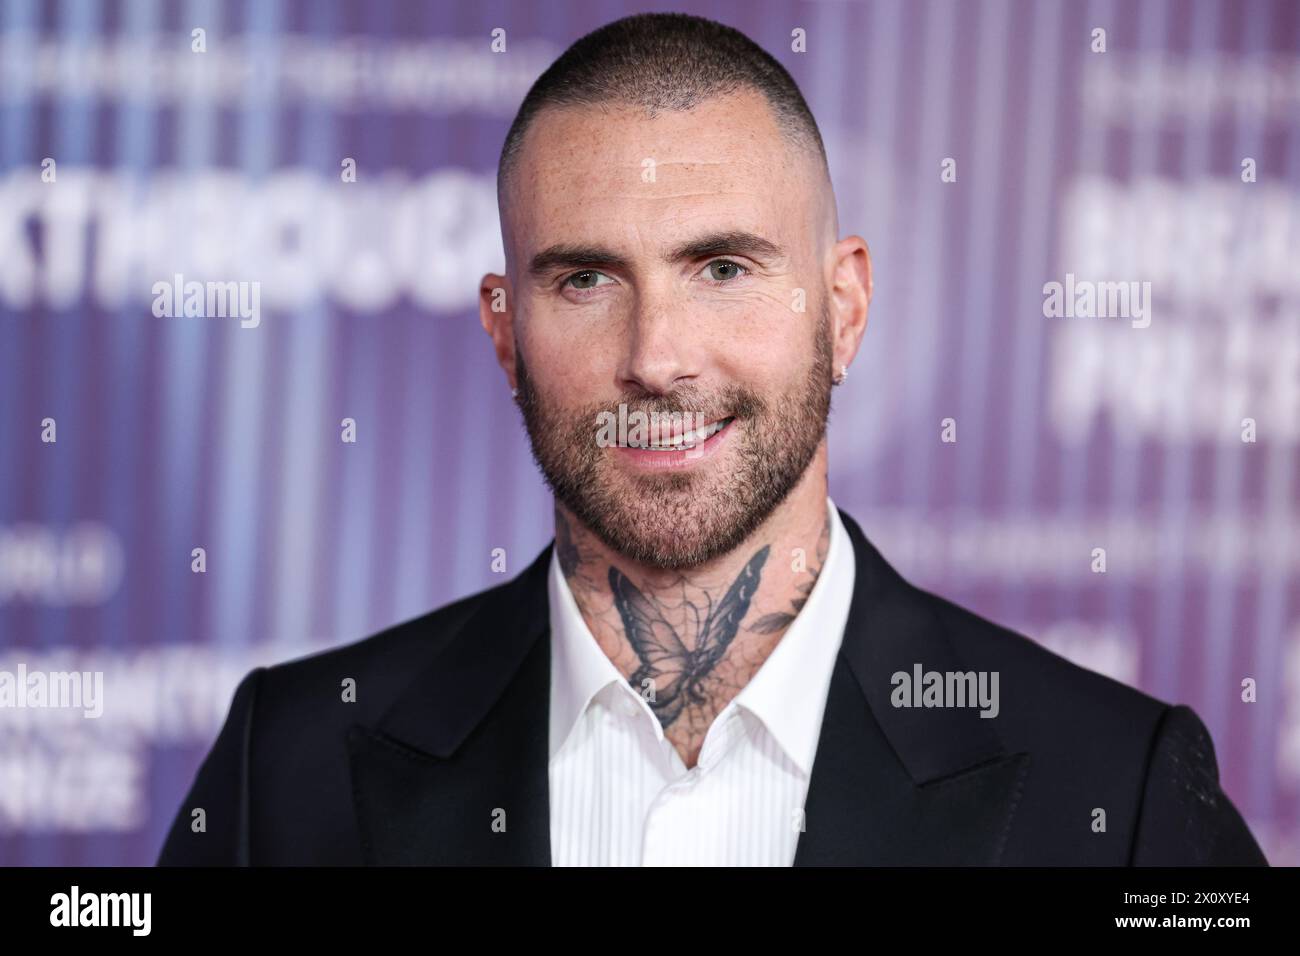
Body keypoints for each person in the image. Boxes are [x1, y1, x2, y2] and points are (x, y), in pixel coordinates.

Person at [158, 12, 1266, 866]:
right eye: (586, 279)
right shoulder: (288, 768)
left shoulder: (1115, 791)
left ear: (844, 307)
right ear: (504, 331)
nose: (658, 355)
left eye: (723, 269)